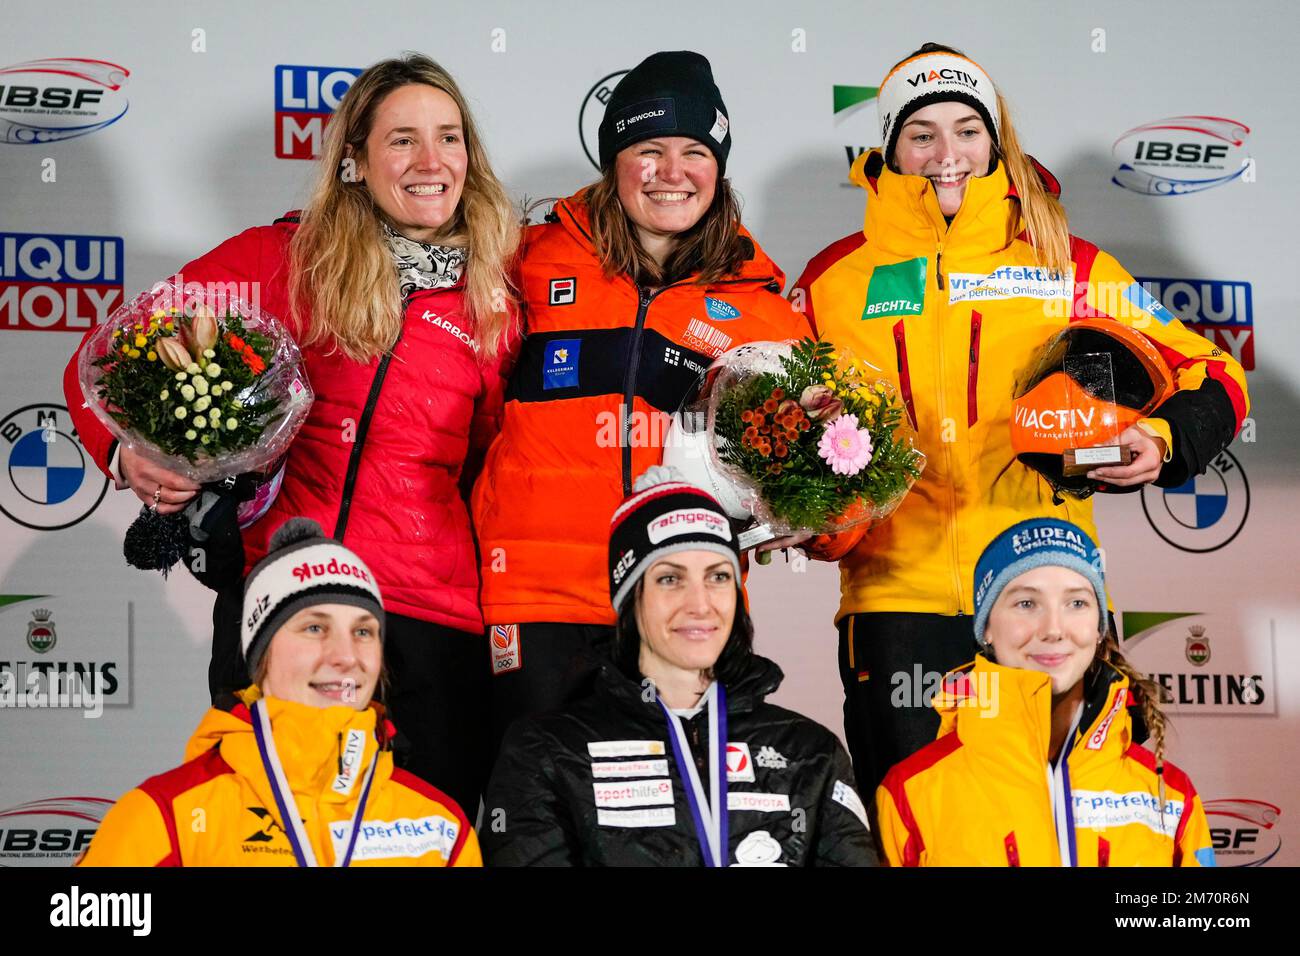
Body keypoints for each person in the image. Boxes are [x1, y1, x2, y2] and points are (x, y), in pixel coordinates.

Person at [62, 54, 520, 813]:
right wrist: (125, 453)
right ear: (354, 160)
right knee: (262, 832)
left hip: (431, 617)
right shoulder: (280, 260)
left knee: (416, 837)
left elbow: (498, 465)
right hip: (281, 592)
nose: (431, 161)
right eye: (402, 139)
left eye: (449, 138)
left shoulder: (498, 298)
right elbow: (104, 358)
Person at [791, 42, 1250, 795]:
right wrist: (809, 509)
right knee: (914, 828)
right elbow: (781, 433)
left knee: (1057, 825)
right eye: (923, 133)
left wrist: (1162, 442)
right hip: (897, 603)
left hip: (1045, 596)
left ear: (995, 140)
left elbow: (1214, 373)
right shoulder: (832, 281)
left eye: (969, 130)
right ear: (890, 150)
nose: (949, 153)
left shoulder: (1065, 264)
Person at [473, 51, 812, 759]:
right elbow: (461, 408)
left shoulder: (766, 314)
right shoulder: (526, 261)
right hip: (536, 603)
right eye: (647, 150)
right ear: (613, 159)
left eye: (694, 151)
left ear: (718, 165)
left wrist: (817, 511)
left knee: (674, 830)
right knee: (536, 820)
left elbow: (824, 499)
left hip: (686, 608)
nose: (672, 171)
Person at [482, 468, 877, 867]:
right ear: (629, 598)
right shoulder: (546, 750)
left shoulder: (811, 753)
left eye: (718, 577)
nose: (700, 604)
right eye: (670, 578)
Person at [79, 518, 481, 867]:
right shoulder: (168, 816)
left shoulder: (440, 830)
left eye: (363, 631)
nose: (345, 656)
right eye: (314, 628)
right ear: (262, 655)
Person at [875, 517, 1215, 867]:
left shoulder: (1171, 795)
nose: (1053, 629)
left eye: (1077, 603)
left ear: (1099, 627)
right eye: (1026, 603)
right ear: (986, 627)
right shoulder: (910, 793)